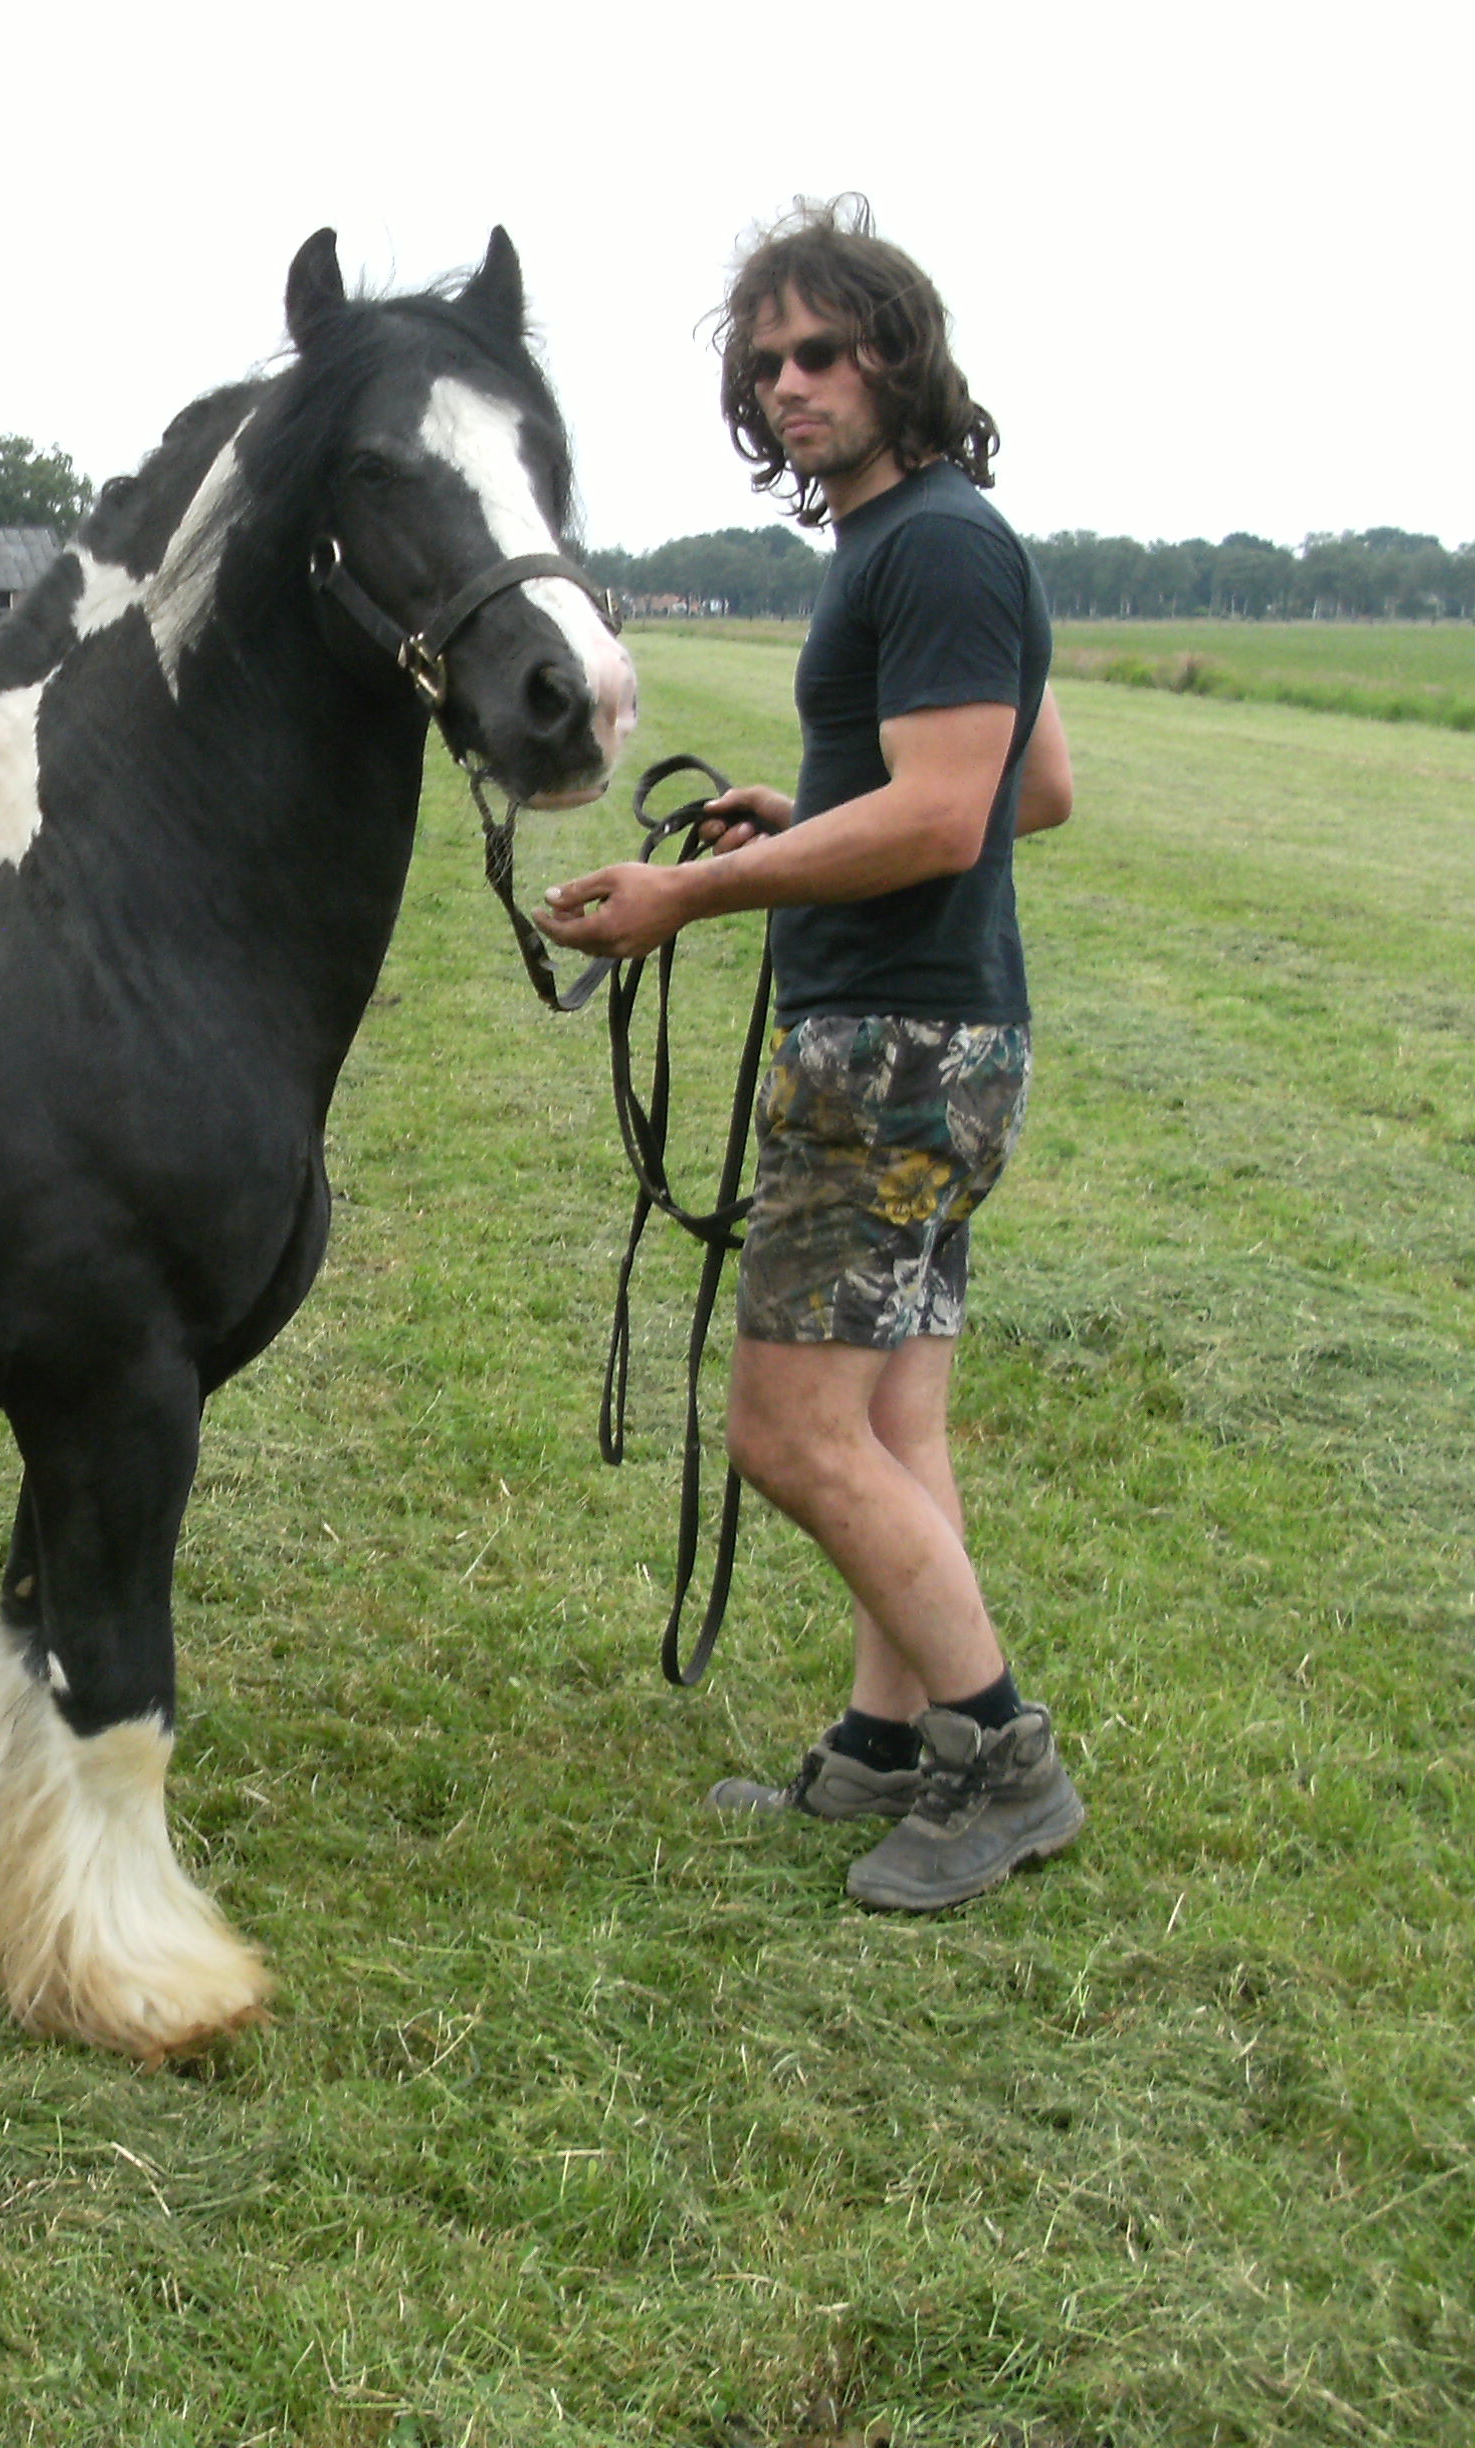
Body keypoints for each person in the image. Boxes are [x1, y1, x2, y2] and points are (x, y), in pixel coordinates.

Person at [535, 196, 1081, 1911]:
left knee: (791, 1433)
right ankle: (882, 1744)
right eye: (766, 362)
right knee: (896, 1422)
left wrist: (690, 899)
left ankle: (1004, 1762)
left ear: (897, 357)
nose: (789, 383)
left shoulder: (934, 547)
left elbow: (948, 817)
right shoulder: (919, 541)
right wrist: (811, 809)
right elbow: (1032, 786)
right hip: (934, 1036)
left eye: (823, 352)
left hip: (893, 1053)